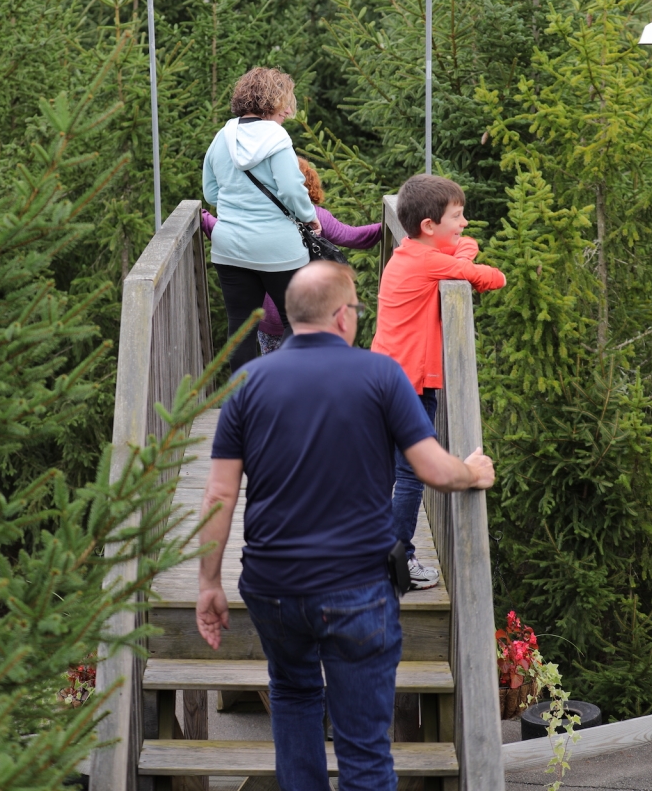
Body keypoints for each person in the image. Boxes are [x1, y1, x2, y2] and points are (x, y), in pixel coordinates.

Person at [195, 261, 495, 791]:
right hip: (357, 587)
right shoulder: (381, 375)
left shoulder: (247, 383)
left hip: (272, 586)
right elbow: (432, 469)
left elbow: (219, 494)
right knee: (364, 752)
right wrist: (472, 471)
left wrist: (209, 583)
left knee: (293, 693)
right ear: (341, 316)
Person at [371, 174, 506, 589]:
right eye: (457, 216)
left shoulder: (410, 253)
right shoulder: (430, 262)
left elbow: (466, 253)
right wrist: (464, 258)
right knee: (412, 474)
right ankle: (399, 561)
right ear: (429, 226)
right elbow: (492, 277)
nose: (464, 223)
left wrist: (461, 253)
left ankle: (371, 550)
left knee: (383, 472)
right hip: (411, 385)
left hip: (382, 378)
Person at [202, 67, 320, 371]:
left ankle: (243, 398)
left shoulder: (222, 136)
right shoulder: (277, 137)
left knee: (240, 329)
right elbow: (291, 190)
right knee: (299, 323)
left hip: (229, 248)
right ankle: (282, 390)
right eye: (286, 103)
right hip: (279, 249)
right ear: (271, 101)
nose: (288, 112)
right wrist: (309, 217)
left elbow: (211, 192)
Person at [201, 157, 382, 354]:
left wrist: (202, 216)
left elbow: (222, 232)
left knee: (275, 368)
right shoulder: (316, 216)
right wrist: (389, 224)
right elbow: (355, 236)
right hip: (312, 317)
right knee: (308, 368)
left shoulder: (257, 221)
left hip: (269, 321)